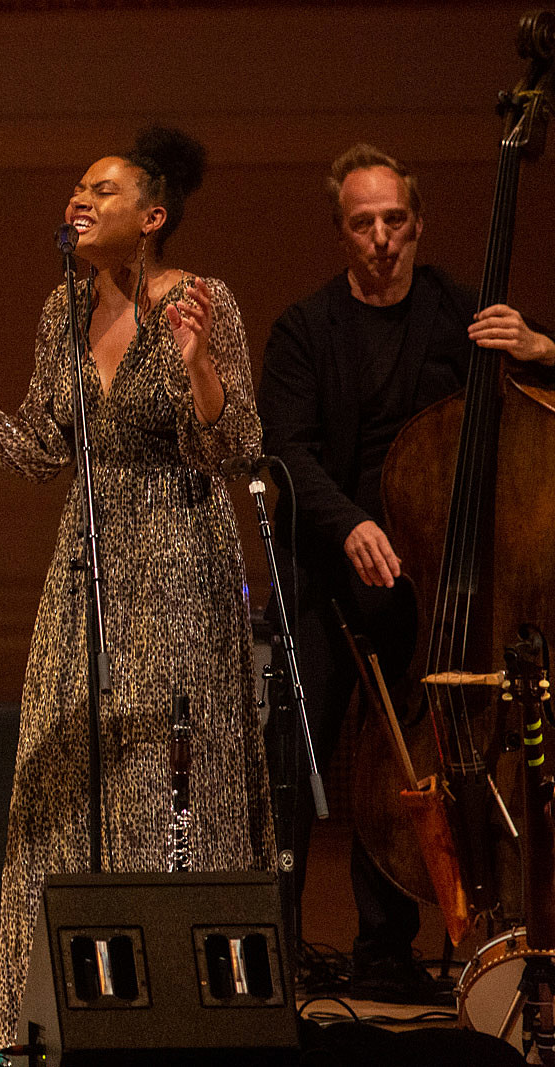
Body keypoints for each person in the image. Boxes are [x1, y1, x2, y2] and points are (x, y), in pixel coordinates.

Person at [0, 126, 274, 1044]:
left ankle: (191, 1010)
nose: (78, 200)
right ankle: (65, 1011)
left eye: (102, 189)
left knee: (167, 779)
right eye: (75, 189)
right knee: (69, 776)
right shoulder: (62, 311)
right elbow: (42, 452)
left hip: (178, 557)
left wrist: (203, 366)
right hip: (86, 562)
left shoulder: (202, 300)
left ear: (153, 215)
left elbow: (233, 446)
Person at [258, 144, 554, 1003]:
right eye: (363, 223)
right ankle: (277, 946)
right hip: (336, 560)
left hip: (444, 574)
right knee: (303, 743)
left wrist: (540, 348)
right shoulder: (305, 329)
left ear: (417, 224)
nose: (382, 237)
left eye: (395, 220)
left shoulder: (465, 313)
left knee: (420, 748)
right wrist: (348, 523)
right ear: (342, 233)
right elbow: (288, 447)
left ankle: (390, 945)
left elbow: (532, 407)